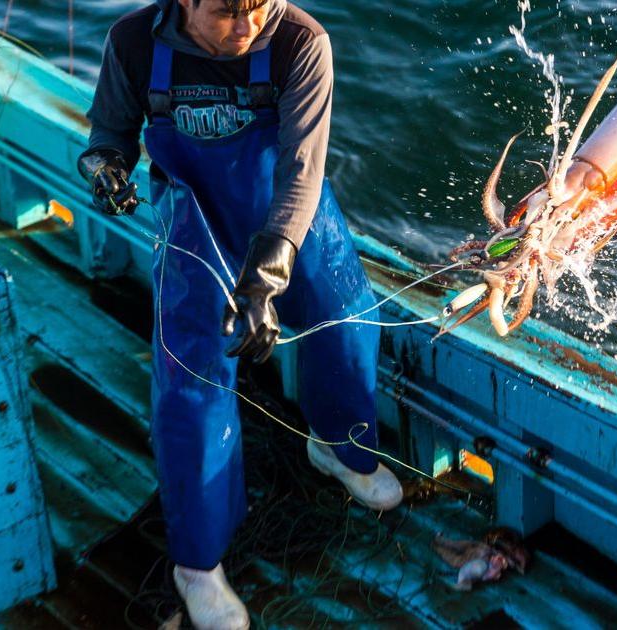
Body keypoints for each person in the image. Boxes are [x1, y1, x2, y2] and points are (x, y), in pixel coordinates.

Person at [78, 0, 402, 627]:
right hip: (195, 222)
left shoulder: (301, 41)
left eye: (261, 7)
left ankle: (339, 448)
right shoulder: (133, 43)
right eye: (228, 13)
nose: (249, 27)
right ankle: (197, 566)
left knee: (348, 319)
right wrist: (104, 166)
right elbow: (106, 137)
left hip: (284, 213)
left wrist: (267, 278)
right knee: (192, 379)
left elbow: (302, 171)